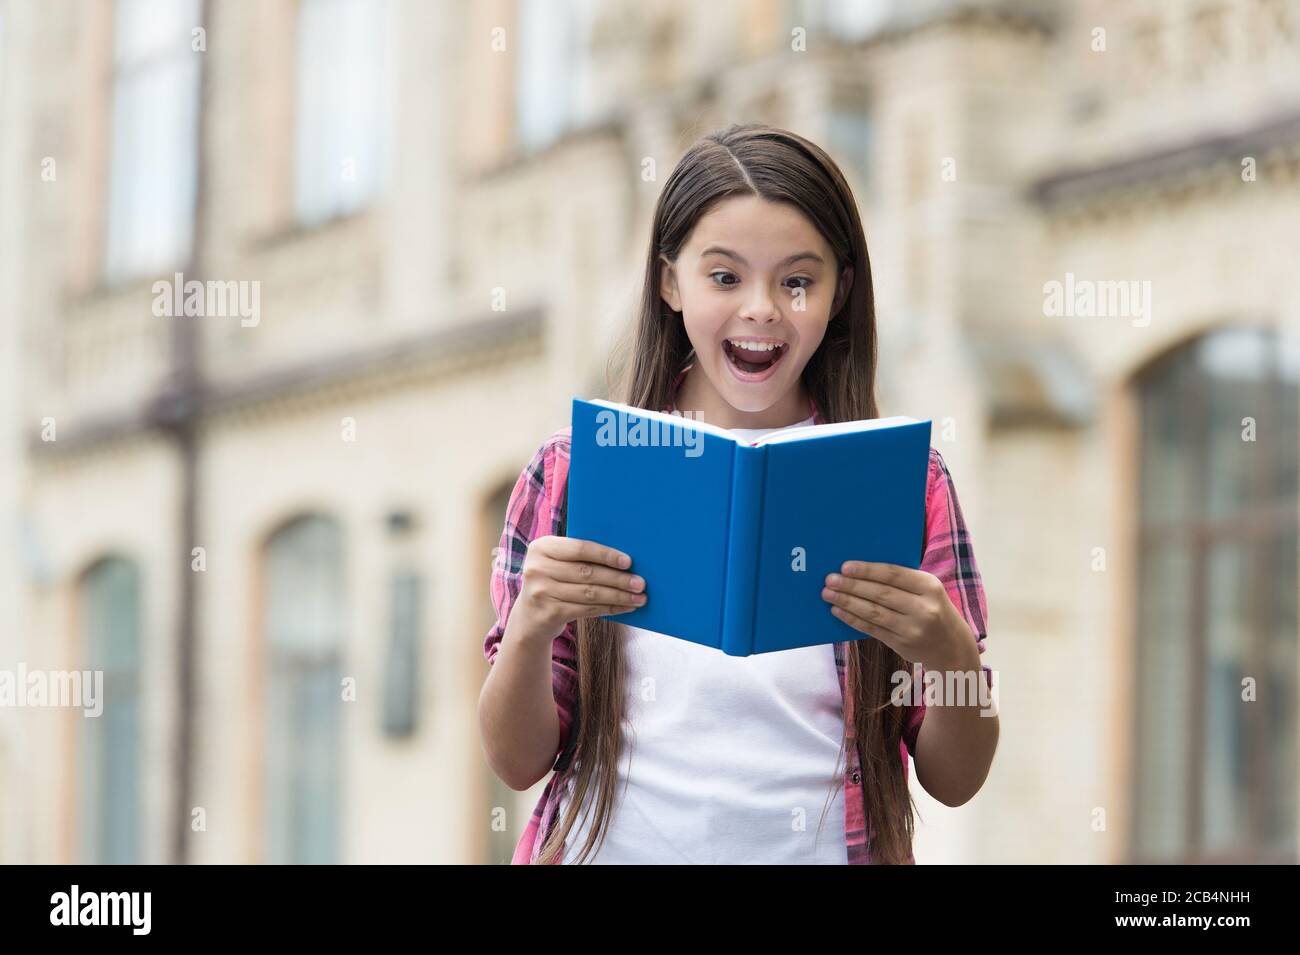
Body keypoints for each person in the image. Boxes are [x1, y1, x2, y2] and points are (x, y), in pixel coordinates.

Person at [479, 122, 995, 864]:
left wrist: (951, 654)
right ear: (669, 281)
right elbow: (515, 758)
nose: (762, 308)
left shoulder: (904, 483)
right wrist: (529, 628)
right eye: (724, 277)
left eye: (797, 281)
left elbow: (958, 776)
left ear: (839, 291)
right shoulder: (573, 471)